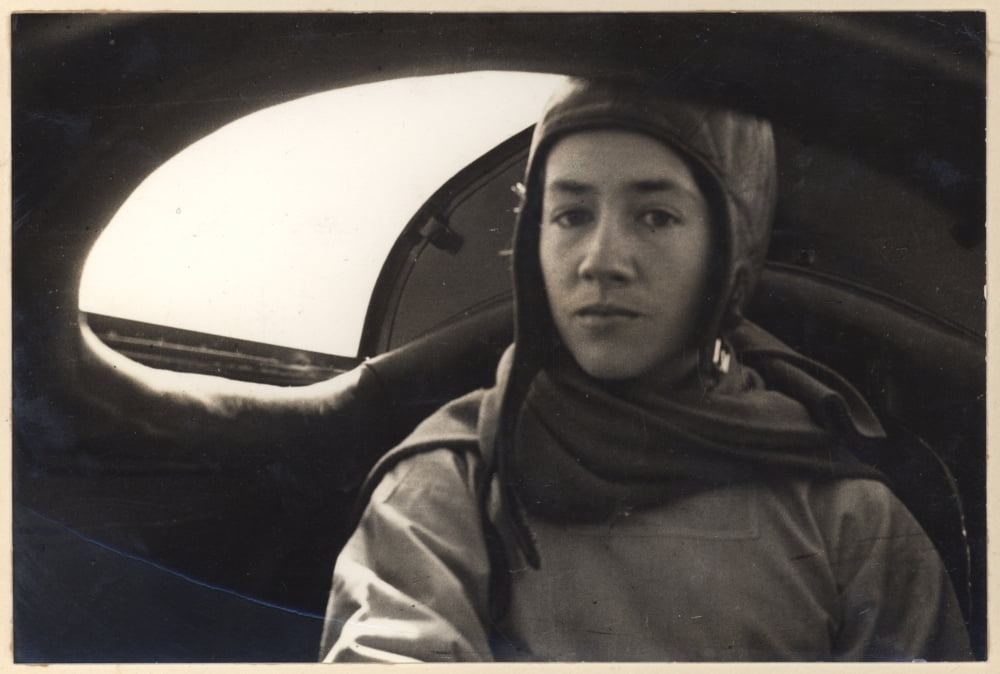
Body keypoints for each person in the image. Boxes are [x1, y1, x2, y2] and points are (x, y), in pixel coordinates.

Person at [319, 77, 972, 662]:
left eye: (656, 217)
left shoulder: (849, 515)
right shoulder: (450, 479)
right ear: (532, 240)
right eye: (571, 215)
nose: (601, 260)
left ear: (729, 247)